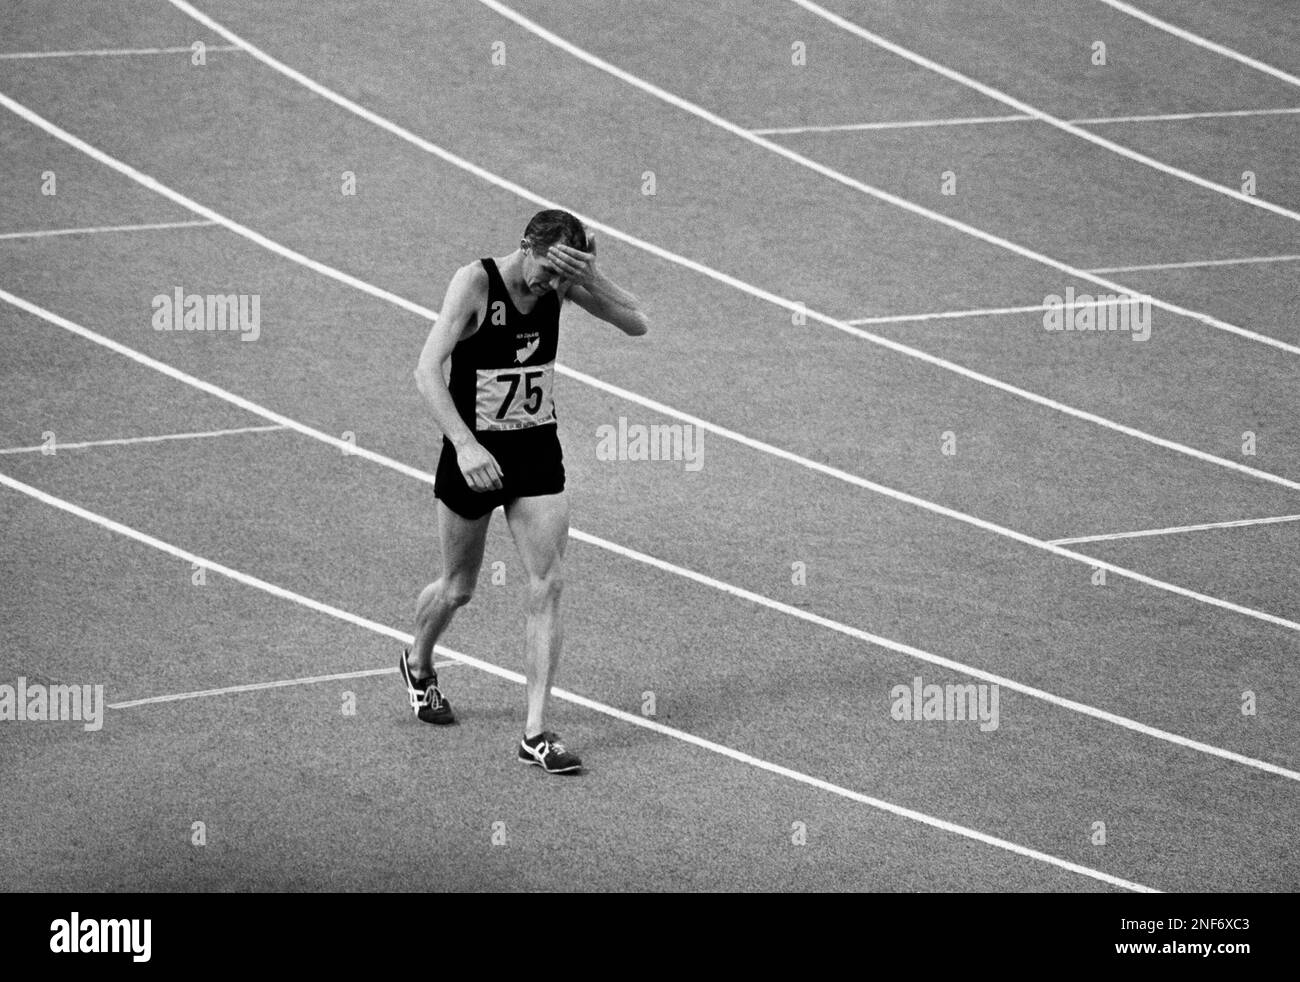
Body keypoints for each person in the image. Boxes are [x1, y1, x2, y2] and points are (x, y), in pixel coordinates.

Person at [401, 210, 649, 774]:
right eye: (548, 271)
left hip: (535, 452)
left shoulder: (562, 283)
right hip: (474, 454)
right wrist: (466, 446)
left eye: (565, 276)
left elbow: (638, 322)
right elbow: (426, 370)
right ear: (525, 246)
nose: (553, 286)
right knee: (459, 588)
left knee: (549, 580)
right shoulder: (475, 282)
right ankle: (418, 660)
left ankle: (535, 732)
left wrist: (591, 276)